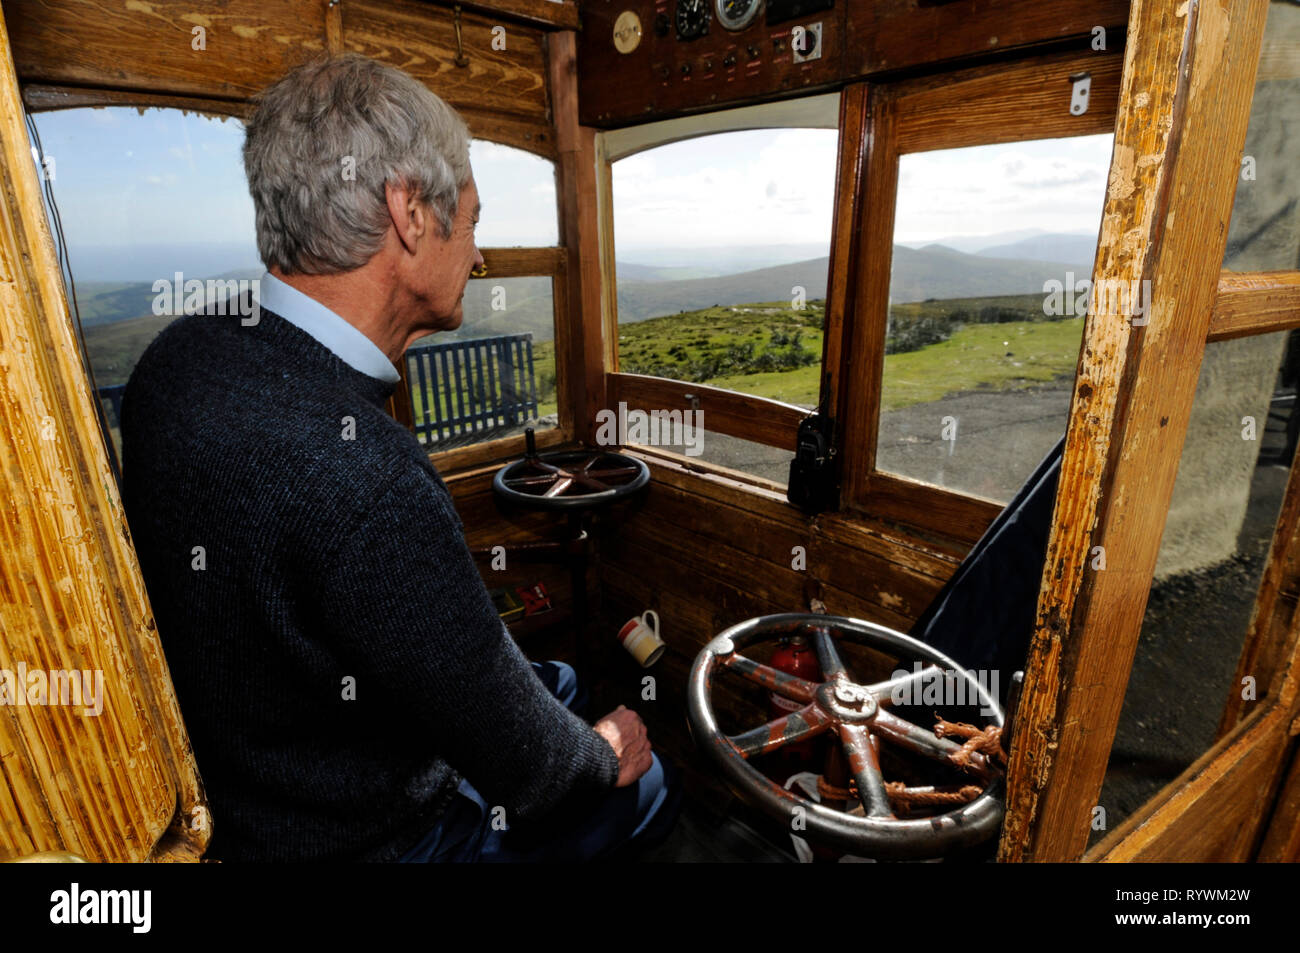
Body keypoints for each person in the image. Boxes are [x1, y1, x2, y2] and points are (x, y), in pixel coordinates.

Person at [120, 53, 678, 862]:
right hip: (371, 835)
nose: (480, 257)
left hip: (254, 787)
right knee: (644, 777)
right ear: (410, 211)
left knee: (551, 679)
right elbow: (537, 769)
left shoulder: (175, 360)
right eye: (475, 222)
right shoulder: (364, 477)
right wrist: (603, 751)